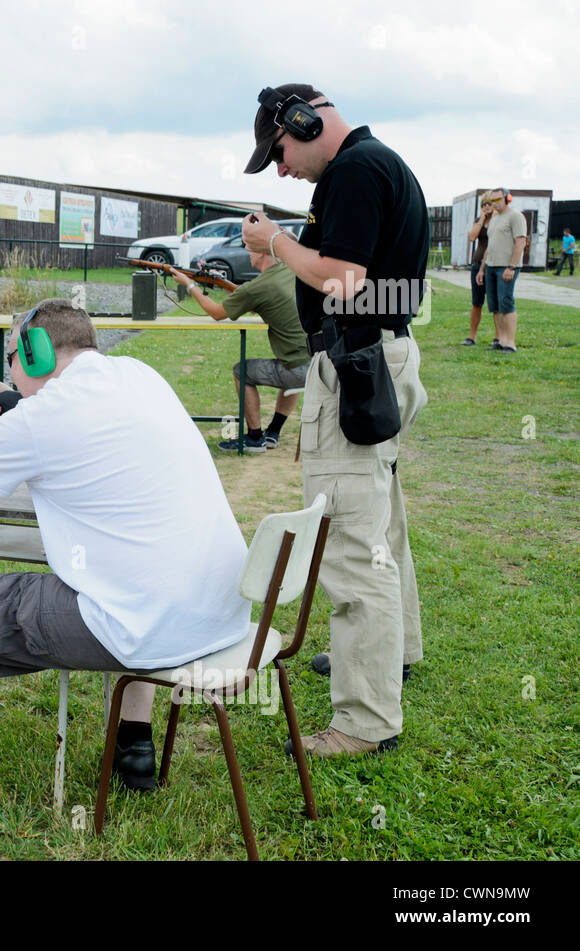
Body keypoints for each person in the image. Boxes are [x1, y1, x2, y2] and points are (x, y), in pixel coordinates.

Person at [0, 299, 252, 821]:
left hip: (149, 624)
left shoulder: (44, 416)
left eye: (13, 356)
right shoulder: (138, 375)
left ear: (33, 353)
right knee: (139, 574)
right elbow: (83, 429)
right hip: (215, 611)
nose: (10, 366)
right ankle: (135, 747)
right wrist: (20, 403)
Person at [242, 83, 428, 757]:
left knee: (351, 543)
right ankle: (395, 653)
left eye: (281, 150)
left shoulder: (353, 171)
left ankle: (365, 718)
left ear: (303, 119)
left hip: (356, 359)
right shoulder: (375, 163)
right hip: (376, 357)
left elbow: (345, 281)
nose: (283, 166)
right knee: (381, 523)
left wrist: (277, 242)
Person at [167, 248, 308, 453]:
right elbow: (251, 301)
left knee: (241, 371)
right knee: (289, 367)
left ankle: (254, 437)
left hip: (297, 370)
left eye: (250, 249)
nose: (247, 253)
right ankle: (273, 433)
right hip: (317, 362)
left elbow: (216, 312)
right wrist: (222, 283)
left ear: (261, 254)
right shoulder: (287, 270)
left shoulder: (259, 286)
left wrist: (189, 285)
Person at [475, 188, 526, 353]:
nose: (494, 203)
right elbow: (490, 247)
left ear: (507, 199)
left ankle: (510, 343)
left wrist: (511, 266)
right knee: (495, 306)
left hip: (506, 267)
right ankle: (500, 340)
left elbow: (520, 242)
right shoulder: (495, 220)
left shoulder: (515, 216)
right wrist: (482, 269)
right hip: (490, 266)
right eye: (492, 200)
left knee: (506, 302)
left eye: (497, 200)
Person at [461, 195, 496, 346]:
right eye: (484, 204)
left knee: (495, 303)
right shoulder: (479, 220)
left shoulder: (499, 220)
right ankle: (472, 337)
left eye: (490, 204)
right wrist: (481, 220)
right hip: (477, 264)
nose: (487, 206)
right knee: (477, 303)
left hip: (494, 264)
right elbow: (471, 237)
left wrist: (493, 218)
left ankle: (499, 337)